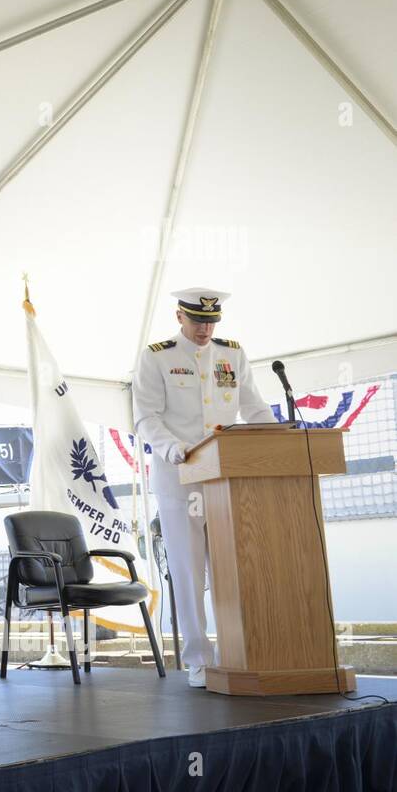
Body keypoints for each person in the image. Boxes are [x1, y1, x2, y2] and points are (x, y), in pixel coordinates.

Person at [132, 288, 275, 687]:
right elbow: (146, 417)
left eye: (211, 322)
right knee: (189, 569)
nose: (205, 329)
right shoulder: (157, 356)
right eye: (197, 321)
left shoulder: (232, 354)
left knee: (234, 567)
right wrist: (172, 448)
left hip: (228, 480)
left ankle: (239, 652)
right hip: (180, 477)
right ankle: (198, 658)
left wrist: (279, 434)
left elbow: (254, 407)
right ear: (180, 317)